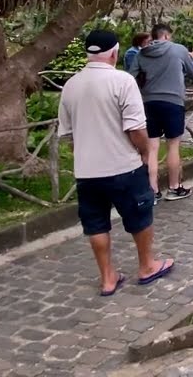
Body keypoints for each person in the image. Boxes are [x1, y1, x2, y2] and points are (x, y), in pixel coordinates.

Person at [57, 29, 174, 296]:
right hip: (122, 165)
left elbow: (68, 135)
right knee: (139, 215)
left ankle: (107, 277)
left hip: (86, 171)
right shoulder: (122, 81)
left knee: (95, 223)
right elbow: (136, 129)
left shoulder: (71, 86)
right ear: (115, 52)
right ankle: (147, 265)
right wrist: (145, 152)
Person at [136, 23, 193, 202]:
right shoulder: (178, 50)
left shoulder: (142, 53)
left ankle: (152, 191)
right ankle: (174, 187)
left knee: (152, 148)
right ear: (165, 36)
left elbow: (132, 75)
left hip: (149, 102)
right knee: (173, 145)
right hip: (173, 102)